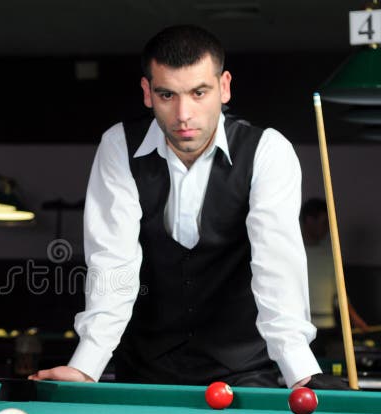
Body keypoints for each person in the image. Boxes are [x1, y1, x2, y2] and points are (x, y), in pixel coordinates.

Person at [30, 24, 344, 389]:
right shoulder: (119, 147)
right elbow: (112, 262)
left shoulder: (267, 151)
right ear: (147, 92)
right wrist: (86, 365)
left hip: (243, 372)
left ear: (224, 87)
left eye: (199, 92)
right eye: (167, 94)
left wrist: (300, 371)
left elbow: (276, 264)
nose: (183, 114)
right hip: (144, 371)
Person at [301, 197, 368, 358]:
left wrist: (355, 319)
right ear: (309, 220)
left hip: (328, 329)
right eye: (324, 222)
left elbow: (339, 294)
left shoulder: (330, 254)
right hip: (301, 327)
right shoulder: (294, 252)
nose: (327, 228)